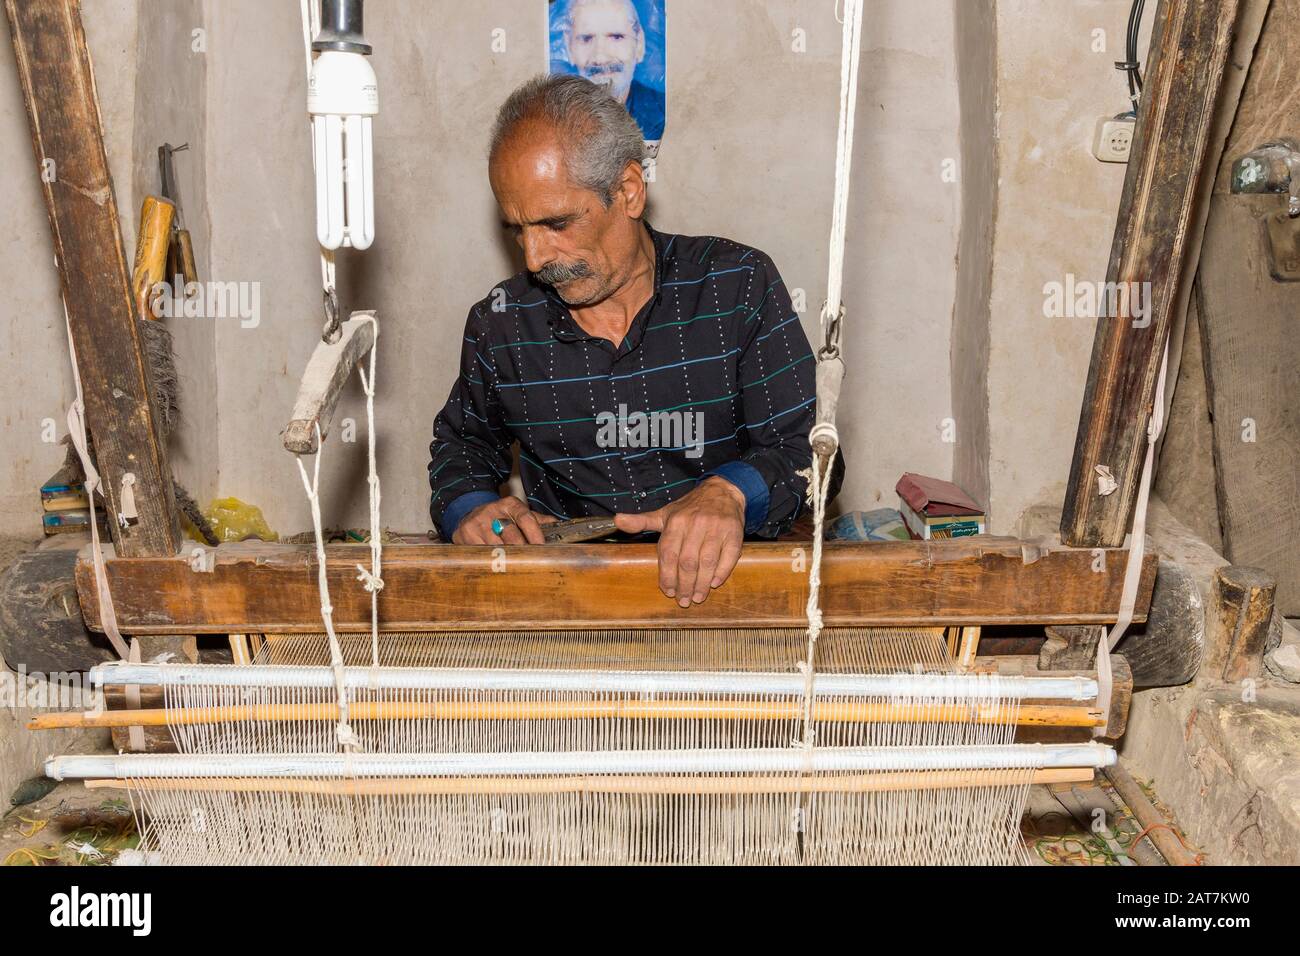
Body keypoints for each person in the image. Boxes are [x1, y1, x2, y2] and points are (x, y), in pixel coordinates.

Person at [429, 74, 841, 606]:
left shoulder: (735, 287)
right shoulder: (503, 323)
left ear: (628, 191)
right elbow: (462, 445)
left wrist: (731, 492)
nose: (534, 258)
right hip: (571, 601)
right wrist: (470, 507)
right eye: (517, 230)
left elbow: (814, 451)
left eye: (556, 223)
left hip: (731, 592)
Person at [558, 0, 664, 140]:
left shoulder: (665, 112)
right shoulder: (552, 118)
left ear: (639, 44)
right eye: (586, 38)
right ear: (568, 47)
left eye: (616, 37)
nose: (601, 58)